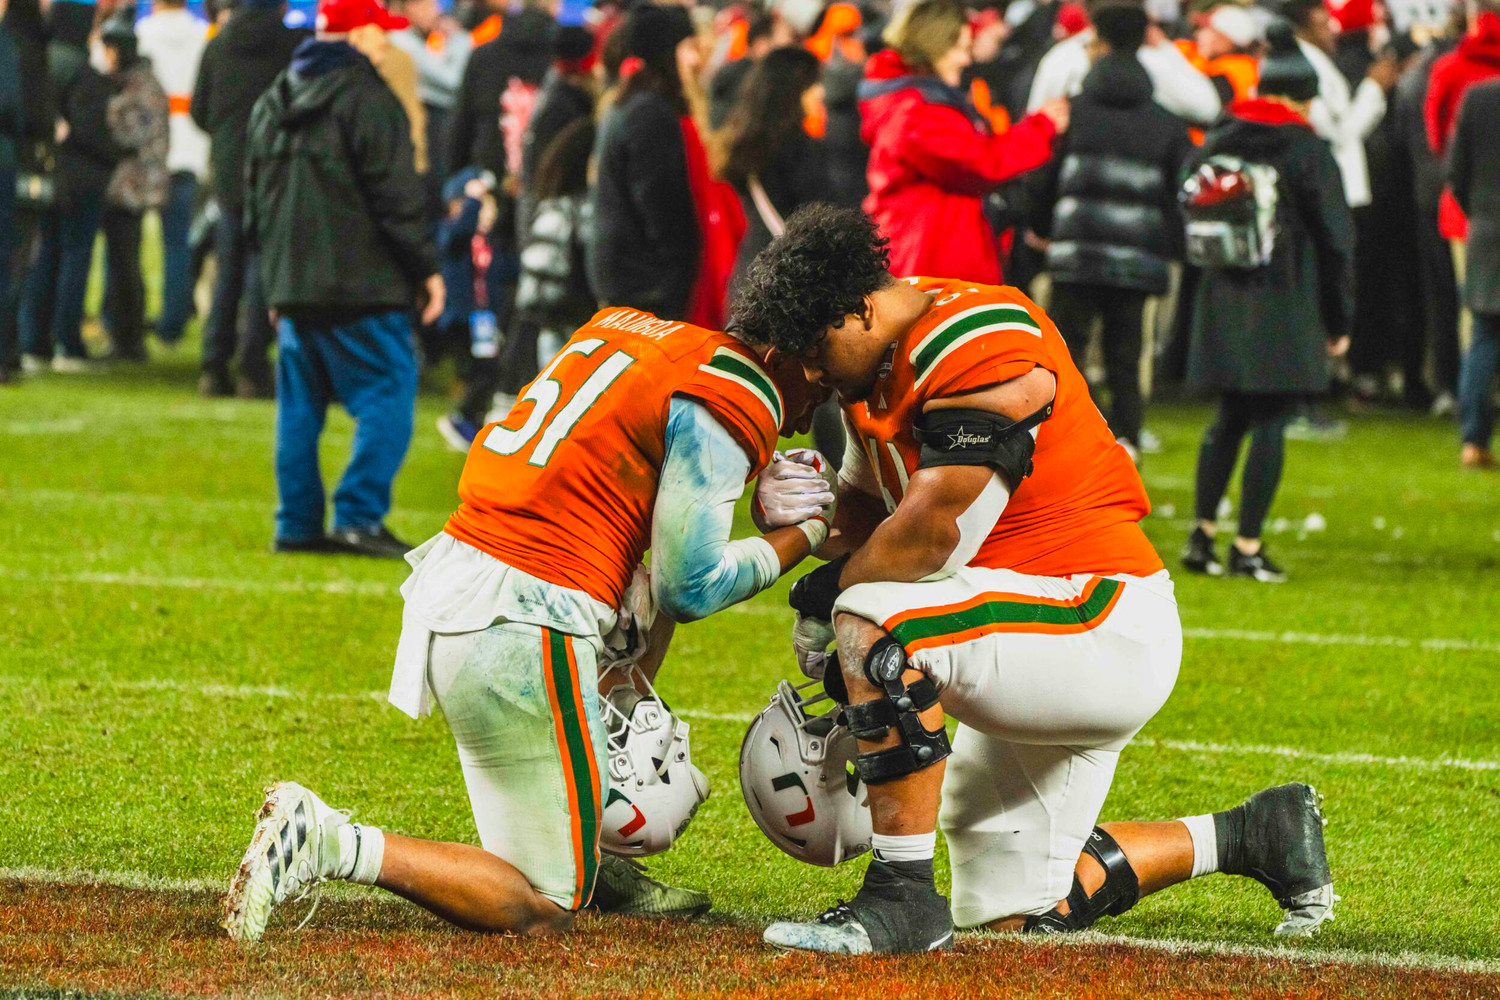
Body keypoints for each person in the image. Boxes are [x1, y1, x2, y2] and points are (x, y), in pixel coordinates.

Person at [730, 203, 1334, 955]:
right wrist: (799, 519)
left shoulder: (979, 338)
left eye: (814, 349)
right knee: (1008, 915)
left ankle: (900, 901)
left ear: (861, 310)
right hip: (1030, 627)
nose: (811, 373)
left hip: (1100, 614)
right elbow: (864, 519)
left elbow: (931, 537)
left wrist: (827, 595)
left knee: (875, 625)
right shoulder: (875, 372)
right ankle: (1246, 835)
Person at [222, 305, 834, 942]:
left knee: (635, 630)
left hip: (462, 579)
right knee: (544, 905)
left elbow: (612, 464)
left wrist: (754, 474)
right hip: (525, 621)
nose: (817, 404)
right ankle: (329, 841)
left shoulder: (631, 328)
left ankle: (589, 862)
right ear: (785, 352)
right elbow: (691, 587)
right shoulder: (740, 390)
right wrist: (804, 534)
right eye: (820, 381)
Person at [243, 0, 444, 558]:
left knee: (299, 407)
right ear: (356, 35)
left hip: (293, 286)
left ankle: (297, 524)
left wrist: (274, 282)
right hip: (362, 284)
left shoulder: (271, 101)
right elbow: (397, 200)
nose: (385, 45)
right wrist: (427, 270)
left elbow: (254, 201)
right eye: (379, 33)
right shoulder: (368, 100)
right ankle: (358, 515)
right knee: (389, 390)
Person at [1182, 20, 1354, 582]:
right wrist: (1339, 317)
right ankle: (1247, 546)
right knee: (1272, 420)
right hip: (1285, 297)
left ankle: (1202, 536)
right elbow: (1336, 238)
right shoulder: (1305, 147)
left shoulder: (1220, 134)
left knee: (1227, 418)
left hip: (1221, 295)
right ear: (1302, 98)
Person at [1031, 1, 1193, 460]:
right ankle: (1128, 439)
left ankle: (1069, 436)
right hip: (1138, 257)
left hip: (1075, 253)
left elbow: (1043, 177)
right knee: (1127, 355)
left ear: (1099, 42)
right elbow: (1178, 193)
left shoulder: (1071, 113)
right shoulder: (1166, 122)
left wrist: (1041, 228)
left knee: (1068, 352)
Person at [859, 0, 1068, 285]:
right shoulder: (917, 111)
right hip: (929, 265)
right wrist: (1041, 127)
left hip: (922, 256)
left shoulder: (908, 100)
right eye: (959, 48)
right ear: (934, 45)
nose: (966, 59)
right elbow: (982, 162)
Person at [191, 0, 309, 398]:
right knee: (263, 270)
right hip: (274, 168)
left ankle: (214, 363)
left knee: (228, 270)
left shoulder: (219, 43)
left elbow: (199, 110)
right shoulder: (292, 45)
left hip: (229, 170)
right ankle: (253, 366)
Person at [19, 0, 121, 373]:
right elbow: (91, 131)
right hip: (82, 179)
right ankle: (67, 342)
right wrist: (115, 151)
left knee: (42, 257)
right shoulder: (83, 71)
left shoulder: (37, 62)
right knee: (75, 258)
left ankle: (33, 341)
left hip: (44, 174)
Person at [588, 6, 705, 321]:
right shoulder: (649, 113)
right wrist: (679, 282)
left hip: (627, 280)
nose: (696, 59)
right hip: (644, 287)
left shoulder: (628, 102)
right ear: (667, 52)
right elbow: (661, 207)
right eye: (688, 48)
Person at [714, 46, 829, 299]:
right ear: (792, 92)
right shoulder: (800, 150)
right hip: (790, 285)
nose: (820, 92)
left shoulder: (747, 145)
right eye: (812, 84)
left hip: (751, 275)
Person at [135, 0, 210, 347]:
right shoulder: (202, 34)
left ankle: (123, 319)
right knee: (178, 242)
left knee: (126, 240)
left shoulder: (142, 33)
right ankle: (173, 322)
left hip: (144, 150)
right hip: (190, 147)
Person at [98, 14, 171, 364]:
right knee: (124, 260)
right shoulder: (141, 81)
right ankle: (125, 334)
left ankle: (128, 337)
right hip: (131, 185)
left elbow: (137, 136)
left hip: (131, 187)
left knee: (124, 262)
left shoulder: (138, 85)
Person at [1027, 0, 1223, 124]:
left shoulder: (1063, 56)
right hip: (1141, 180)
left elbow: (1033, 128)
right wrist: (1166, 48)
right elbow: (1208, 108)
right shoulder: (1152, 59)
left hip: (1079, 180)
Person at [1448, 78, 1500, 467]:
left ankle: (1473, 439)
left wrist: (1479, 214)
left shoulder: (1478, 97)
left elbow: (1457, 172)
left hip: (1486, 229)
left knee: (1483, 336)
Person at [0, 0, 52, 385]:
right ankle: (6, 351)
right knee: (10, 258)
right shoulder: (17, 44)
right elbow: (14, 105)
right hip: (7, 157)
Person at [388, 0, 473, 206]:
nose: (436, 13)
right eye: (428, 5)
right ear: (409, 7)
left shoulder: (409, 42)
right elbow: (453, 82)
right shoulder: (402, 42)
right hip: (420, 141)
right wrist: (460, 39)